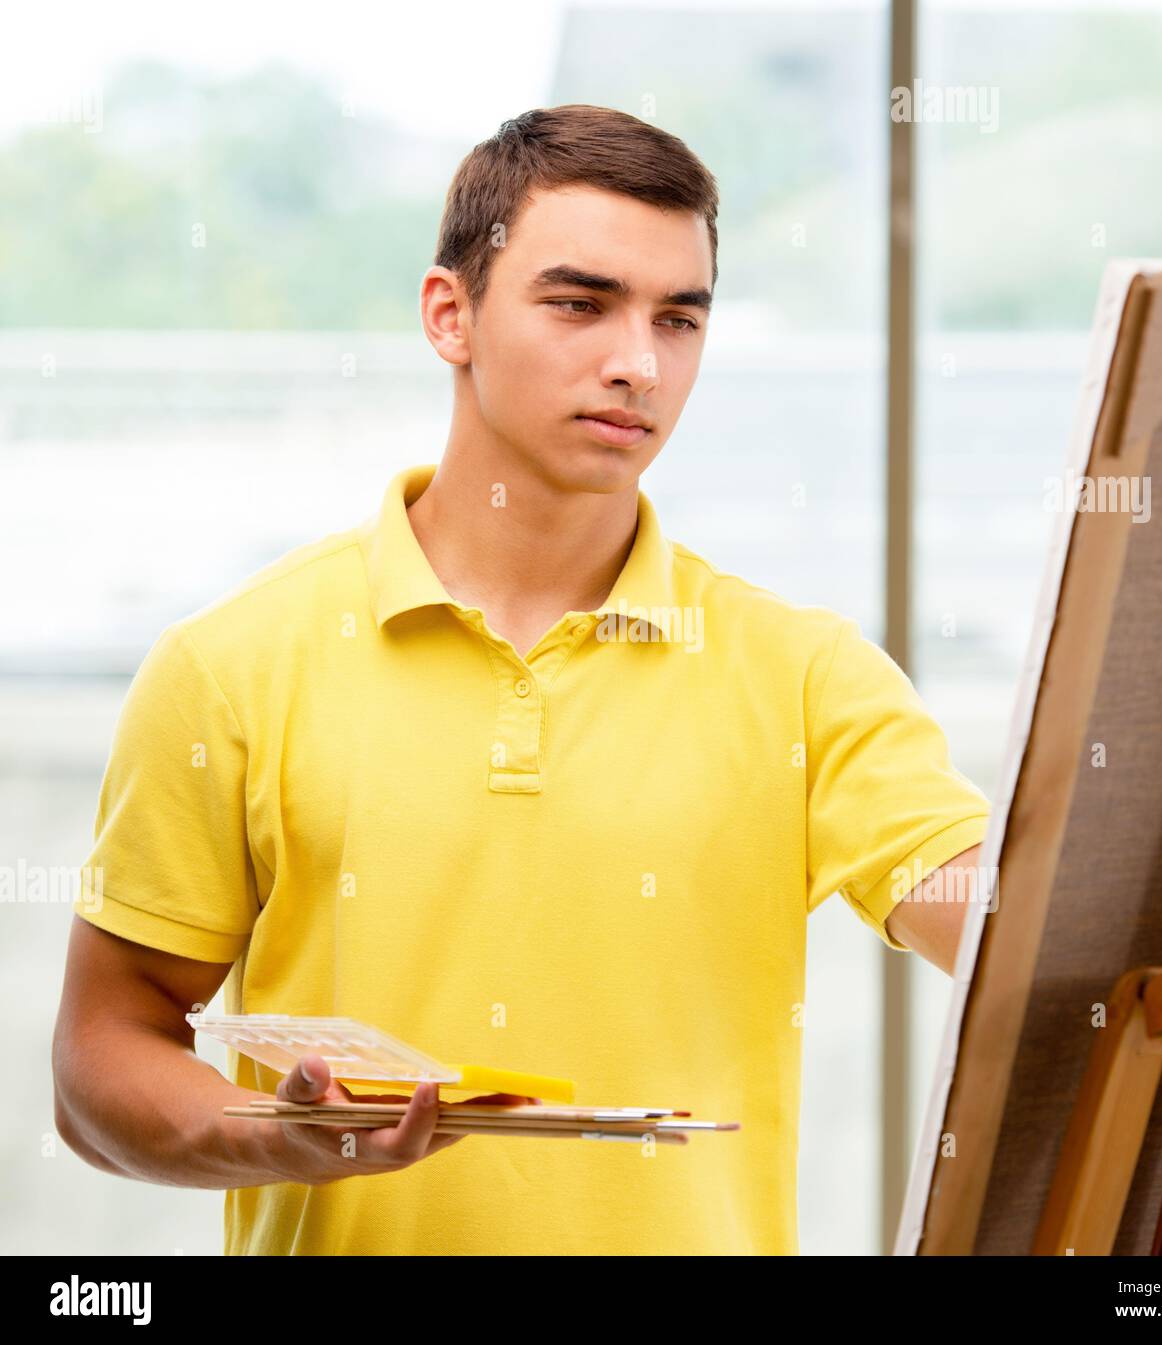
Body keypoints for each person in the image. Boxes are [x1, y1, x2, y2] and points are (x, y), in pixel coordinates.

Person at [53, 104, 991, 1255]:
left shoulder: (807, 674)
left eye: (678, 319)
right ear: (450, 313)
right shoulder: (230, 665)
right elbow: (102, 1051)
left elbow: (1010, 924)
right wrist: (275, 1135)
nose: (636, 362)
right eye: (579, 303)